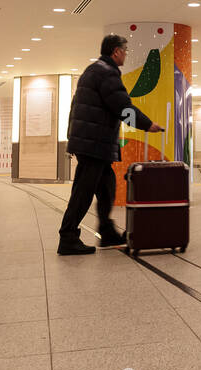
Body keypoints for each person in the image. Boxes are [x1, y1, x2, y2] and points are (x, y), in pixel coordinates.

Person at [57, 34, 163, 255]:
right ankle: (67, 237)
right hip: (93, 143)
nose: (126, 54)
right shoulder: (106, 73)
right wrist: (147, 125)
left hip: (91, 141)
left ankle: (107, 231)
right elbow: (122, 108)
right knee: (83, 191)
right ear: (116, 51)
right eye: (125, 50)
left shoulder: (93, 70)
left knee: (106, 188)